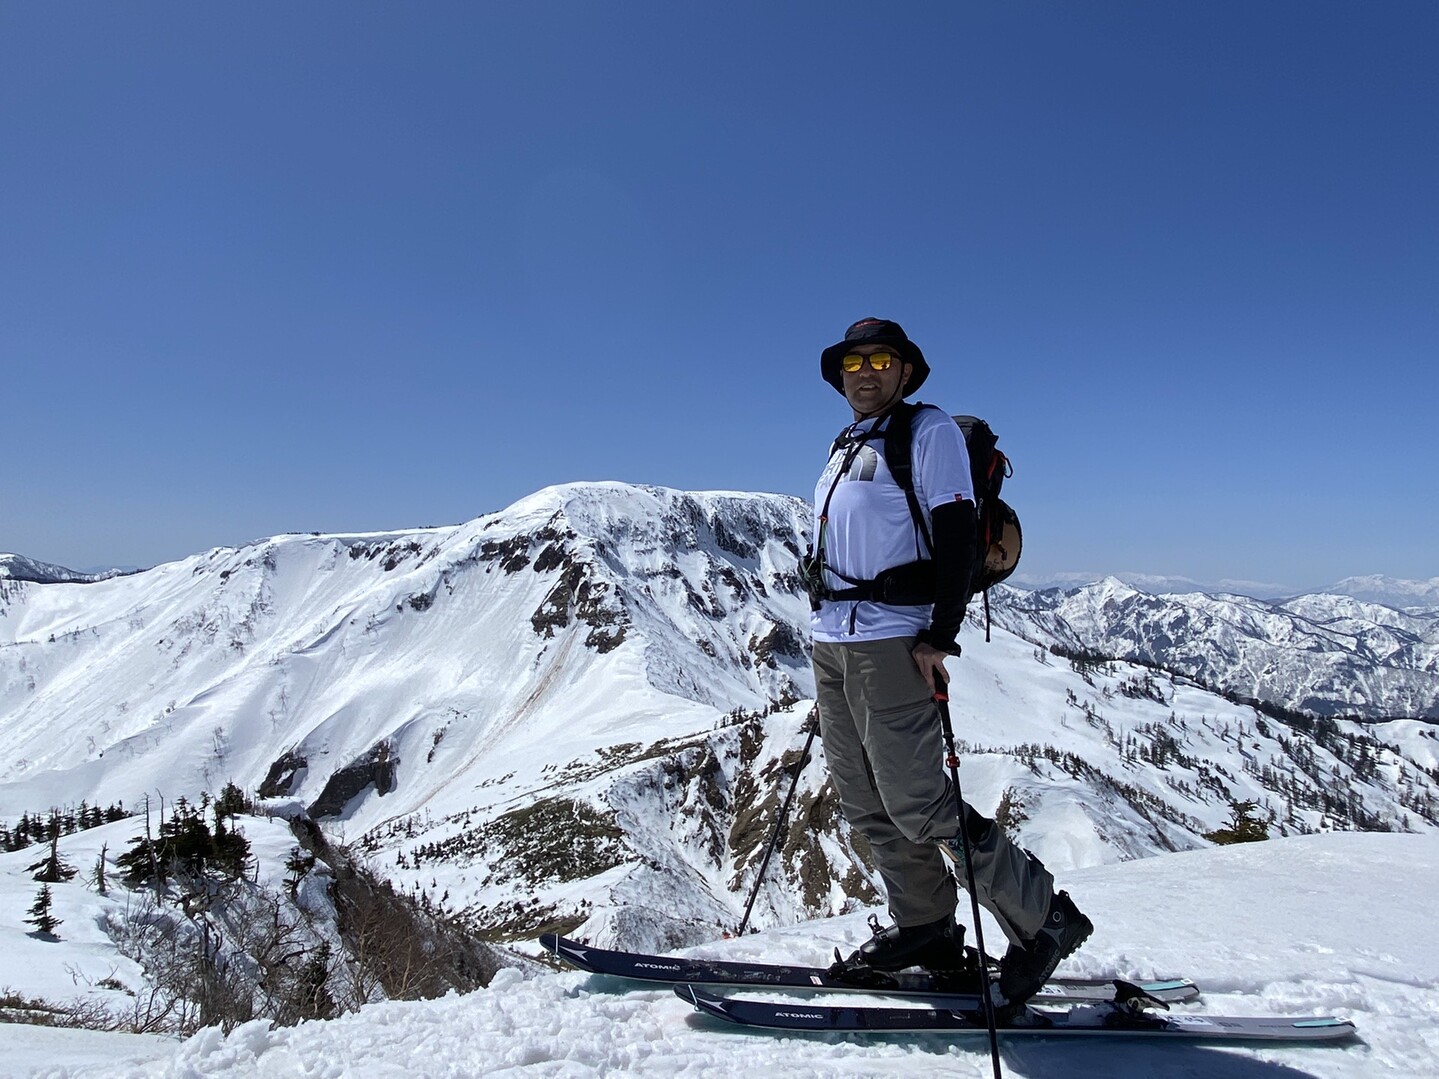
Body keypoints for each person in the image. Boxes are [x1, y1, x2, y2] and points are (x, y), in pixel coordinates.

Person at [804, 316, 1092, 1005]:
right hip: (833, 639)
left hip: (893, 638)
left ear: (905, 371)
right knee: (864, 801)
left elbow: (958, 533)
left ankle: (1044, 917)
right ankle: (927, 925)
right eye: (853, 361)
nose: (865, 370)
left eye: (881, 359)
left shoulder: (924, 431)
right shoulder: (846, 441)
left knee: (916, 801)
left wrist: (939, 633)